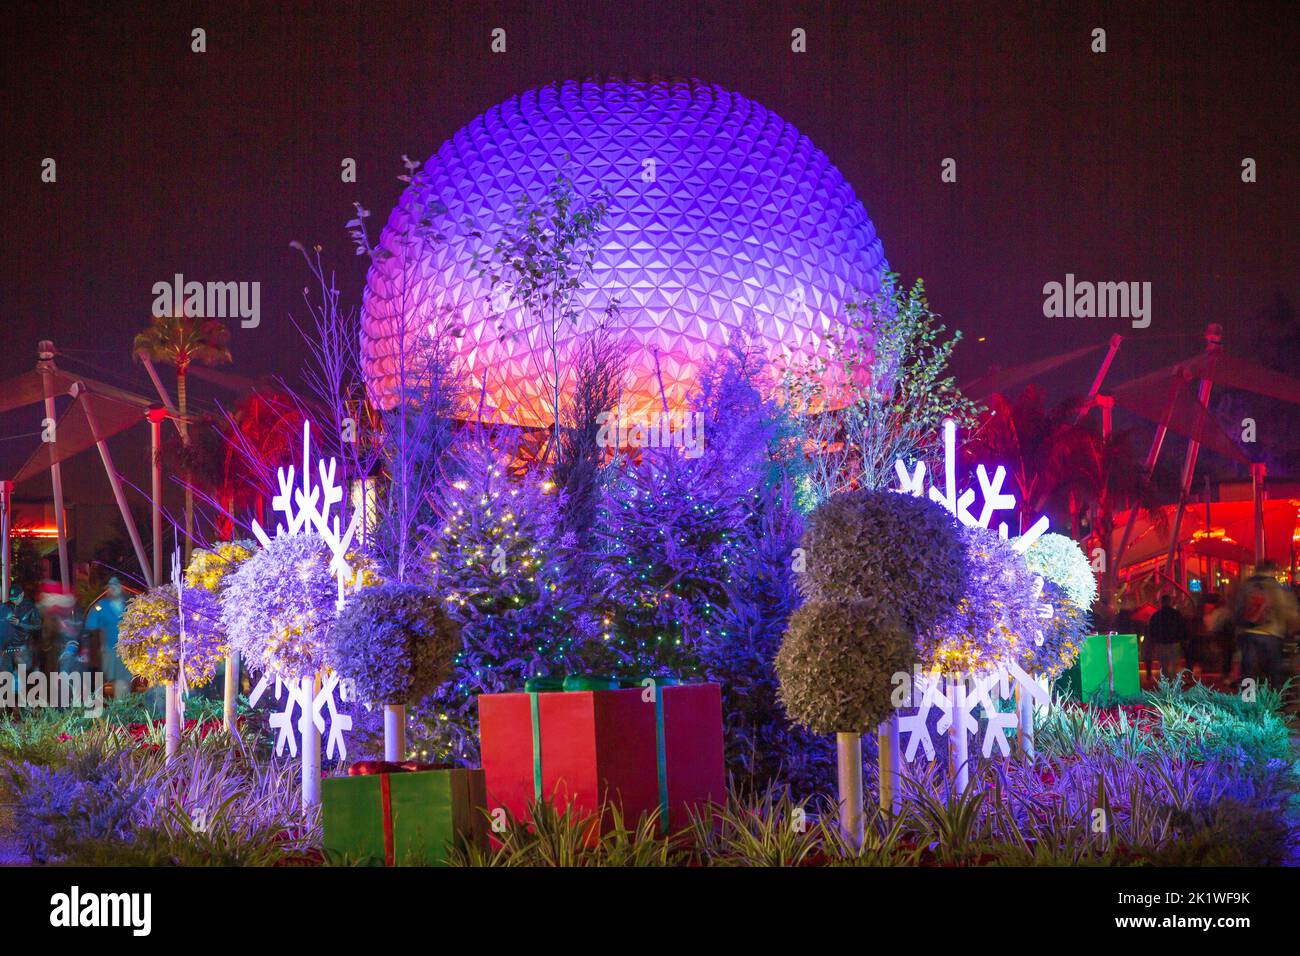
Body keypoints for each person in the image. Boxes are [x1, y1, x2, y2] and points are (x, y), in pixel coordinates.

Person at [1234, 561, 1299, 691]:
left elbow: (1236, 608)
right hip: (1271, 634)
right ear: (1272, 570)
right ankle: (1275, 702)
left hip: (1248, 633)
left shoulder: (1245, 586)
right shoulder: (1276, 586)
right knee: (1274, 672)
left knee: (1248, 672)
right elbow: (1285, 610)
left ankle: (1248, 702)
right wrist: (1292, 628)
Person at [84, 577, 130, 699]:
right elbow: (91, 627)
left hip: (128, 650)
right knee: (112, 679)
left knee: (123, 679)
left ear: (121, 588)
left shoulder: (130, 604)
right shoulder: (100, 606)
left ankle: (123, 704)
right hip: (109, 649)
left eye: (116, 586)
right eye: (111, 587)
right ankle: (117, 705)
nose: (113, 589)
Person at [1147, 593, 1188, 681]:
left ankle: (1166, 681)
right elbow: (1182, 627)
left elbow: (1152, 629)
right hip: (1174, 642)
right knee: (1174, 663)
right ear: (1170, 602)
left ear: (1161, 602)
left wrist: (1153, 641)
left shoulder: (1156, 615)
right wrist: (1182, 639)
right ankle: (1173, 679)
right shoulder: (1176, 614)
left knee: (1163, 664)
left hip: (1161, 642)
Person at [3, 583, 41, 678]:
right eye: (12, 599)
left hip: (23, 645)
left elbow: (37, 626)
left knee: (18, 676)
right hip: (7, 646)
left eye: (16, 598)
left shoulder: (30, 608)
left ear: (22, 594)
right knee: (6, 674)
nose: (14, 601)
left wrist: (19, 624)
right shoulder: (6, 606)